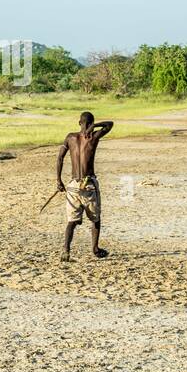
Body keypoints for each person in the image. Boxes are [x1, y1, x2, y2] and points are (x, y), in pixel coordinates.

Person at [55, 111, 113, 261]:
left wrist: (58, 181)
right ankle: (95, 249)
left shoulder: (70, 137)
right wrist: (93, 127)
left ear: (79, 122)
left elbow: (60, 157)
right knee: (95, 219)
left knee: (72, 222)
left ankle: (66, 251)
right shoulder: (93, 136)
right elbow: (110, 124)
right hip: (89, 186)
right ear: (91, 123)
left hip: (73, 185)